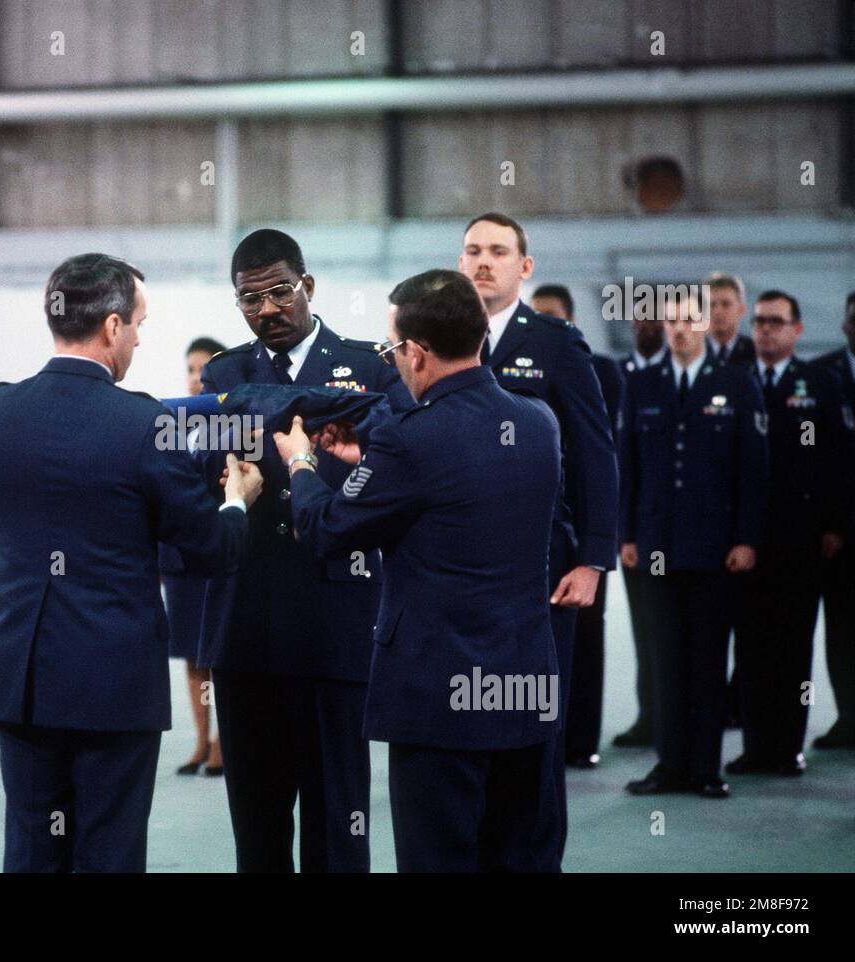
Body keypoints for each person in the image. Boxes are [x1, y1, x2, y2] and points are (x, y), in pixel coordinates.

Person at [0, 254, 260, 873]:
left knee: (31, 848)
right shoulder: (146, 424)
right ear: (112, 327)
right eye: (140, 326)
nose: (141, 340)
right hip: (111, 676)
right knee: (110, 850)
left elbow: (0, 500)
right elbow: (205, 550)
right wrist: (237, 502)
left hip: (18, 669)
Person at [276, 269, 563, 872]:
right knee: (523, 860)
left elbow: (328, 531)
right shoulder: (539, 423)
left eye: (391, 348)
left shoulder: (409, 440)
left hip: (440, 695)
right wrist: (369, 465)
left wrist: (302, 464)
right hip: (524, 681)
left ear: (416, 352)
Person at [197, 228, 414, 873]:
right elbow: (210, 466)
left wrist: (274, 422)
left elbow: (391, 454)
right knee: (257, 824)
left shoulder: (371, 365)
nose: (266, 309)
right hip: (247, 625)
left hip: (336, 623)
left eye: (279, 291)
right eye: (249, 298)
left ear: (308, 287)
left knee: (337, 818)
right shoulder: (223, 372)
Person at [459, 214, 617, 858]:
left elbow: (595, 455)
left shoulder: (556, 343)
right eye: (472, 251)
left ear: (525, 267)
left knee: (536, 729)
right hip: (459, 577)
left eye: (498, 251)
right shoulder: (435, 340)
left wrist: (593, 560)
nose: (483, 262)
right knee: (466, 728)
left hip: (544, 573)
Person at [618, 287, 769, 799]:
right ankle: (670, 765)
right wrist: (627, 535)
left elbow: (753, 470)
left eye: (688, 320)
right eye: (671, 322)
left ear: (706, 325)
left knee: (707, 659)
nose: (678, 329)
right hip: (656, 545)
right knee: (665, 659)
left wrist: (747, 538)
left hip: (714, 547)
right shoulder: (642, 384)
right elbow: (629, 466)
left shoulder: (736, 383)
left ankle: (705, 767)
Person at [729, 290, 846, 776]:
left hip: (800, 537)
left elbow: (840, 460)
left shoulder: (818, 383)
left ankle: (787, 748)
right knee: (751, 647)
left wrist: (836, 524)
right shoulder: (734, 382)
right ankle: (757, 747)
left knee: (793, 648)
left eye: (776, 323)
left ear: (796, 330)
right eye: (758, 322)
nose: (765, 331)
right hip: (746, 539)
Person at [531, 284, 621, 769]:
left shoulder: (584, 361)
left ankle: (580, 738)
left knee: (583, 639)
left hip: (573, 527)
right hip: (527, 532)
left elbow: (598, 449)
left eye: (552, 315)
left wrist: (596, 546)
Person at [160, 336, 228, 777]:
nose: (195, 377)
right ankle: (200, 740)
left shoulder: (235, 427)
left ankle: (225, 742)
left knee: (218, 654)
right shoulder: (168, 426)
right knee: (190, 653)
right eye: (189, 368)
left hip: (218, 554)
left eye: (204, 369)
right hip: (177, 559)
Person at [612, 307, 668, 748]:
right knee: (645, 630)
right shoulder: (619, 375)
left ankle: (675, 715)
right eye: (640, 322)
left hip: (678, 526)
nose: (647, 329)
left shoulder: (675, 378)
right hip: (637, 527)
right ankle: (650, 715)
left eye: (656, 322)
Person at [812, 290, 855, 749]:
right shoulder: (823, 373)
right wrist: (831, 524)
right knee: (842, 629)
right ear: (844, 324)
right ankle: (849, 719)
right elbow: (821, 460)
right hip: (840, 531)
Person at [705, 272, 756, 367]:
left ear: (741, 309)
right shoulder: (691, 351)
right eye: (712, 305)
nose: (717, 311)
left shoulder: (756, 352)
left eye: (726, 304)